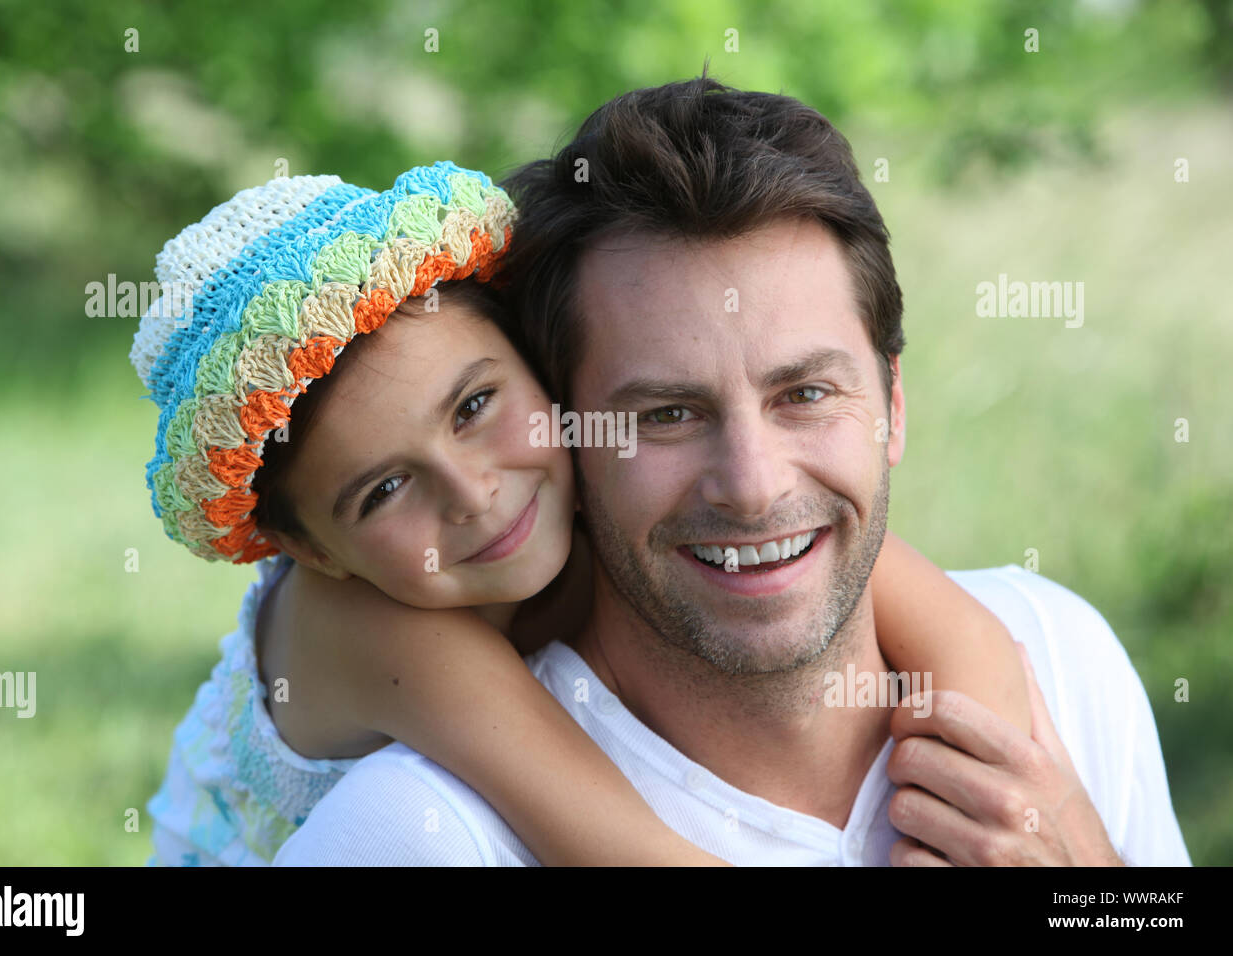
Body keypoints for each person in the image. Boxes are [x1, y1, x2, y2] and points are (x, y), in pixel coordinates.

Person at [273, 78, 1191, 866]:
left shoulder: (1062, 666)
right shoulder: (422, 833)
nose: (752, 486)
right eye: (665, 415)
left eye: (806, 394)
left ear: (894, 406)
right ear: (574, 435)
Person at [136, 160, 1030, 866]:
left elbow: (969, 640)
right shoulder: (366, 628)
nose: (474, 493)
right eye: (384, 491)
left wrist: (988, 819)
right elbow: (636, 856)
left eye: (475, 407)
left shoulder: (593, 509)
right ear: (308, 549)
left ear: (537, 364)